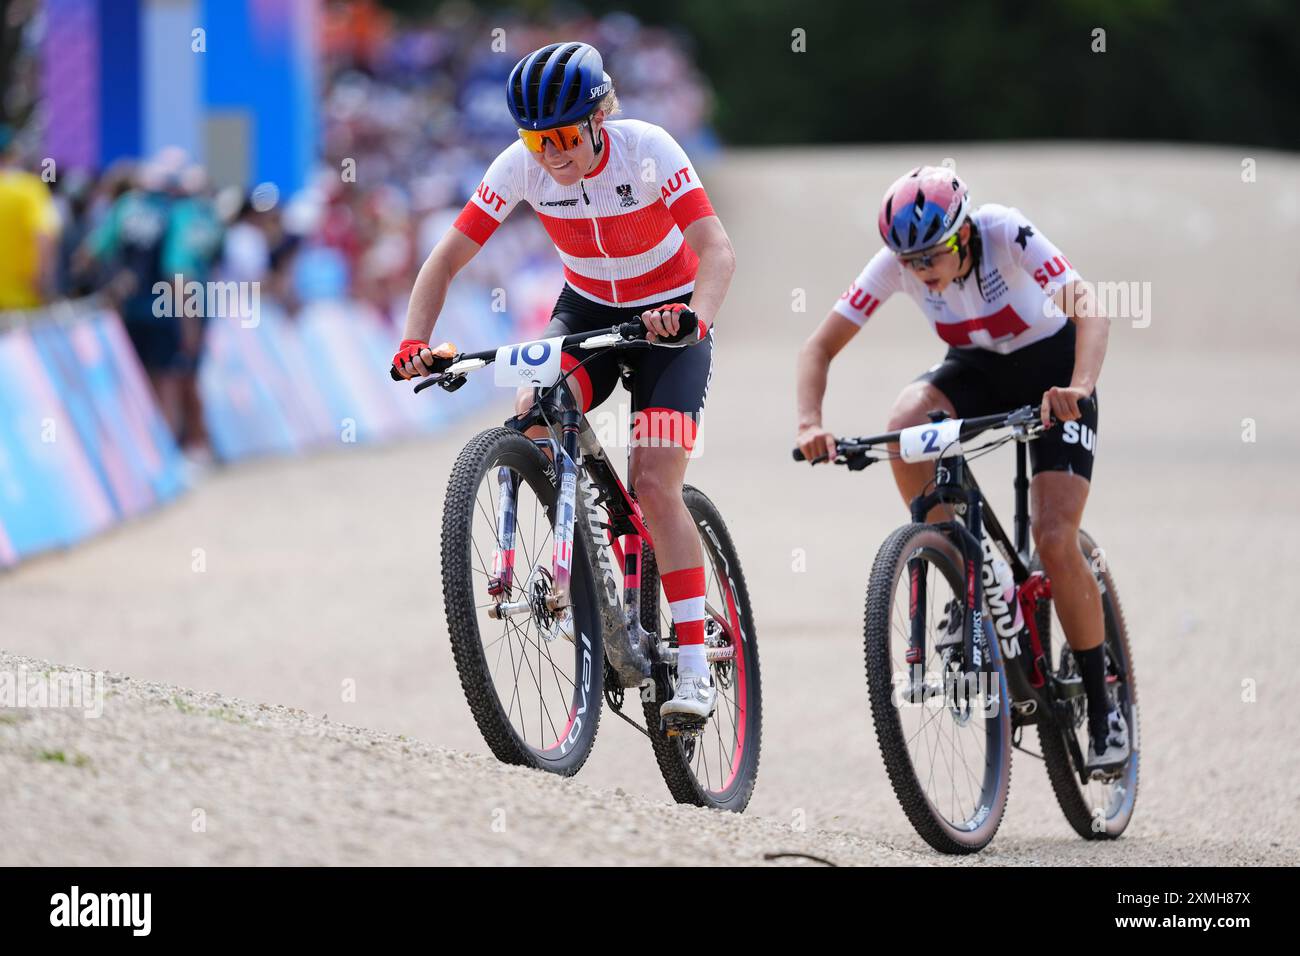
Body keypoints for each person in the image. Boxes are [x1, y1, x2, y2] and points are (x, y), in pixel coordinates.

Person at [393, 42, 736, 722]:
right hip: (586, 311)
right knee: (534, 404)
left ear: (598, 118)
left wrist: (694, 319)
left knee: (655, 481)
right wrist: (414, 341)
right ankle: (571, 548)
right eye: (534, 138)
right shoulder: (520, 166)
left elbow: (716, 250)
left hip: (668, 320)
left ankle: (694, 665)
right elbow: (446, 257)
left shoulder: (648, 149)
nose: (549, 153)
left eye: (561, 137)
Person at [795, 165, 1126, 771]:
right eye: (910, 260)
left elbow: (1091, 310)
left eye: (933, 255)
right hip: (975, 372)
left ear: (965, 233)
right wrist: (810, 424)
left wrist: (1077, 387)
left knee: (1054, 539)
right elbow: (819, 347)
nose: (921, 271)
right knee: (905, 426)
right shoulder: (895, 262)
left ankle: (1104, 708)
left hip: (1053, 375)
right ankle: (961, 557)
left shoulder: (1005, 232)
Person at [0, 124, 60, 310]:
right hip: (20, 302)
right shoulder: (29, 189)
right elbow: (44, 235)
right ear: (13, 153)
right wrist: (44, 283)